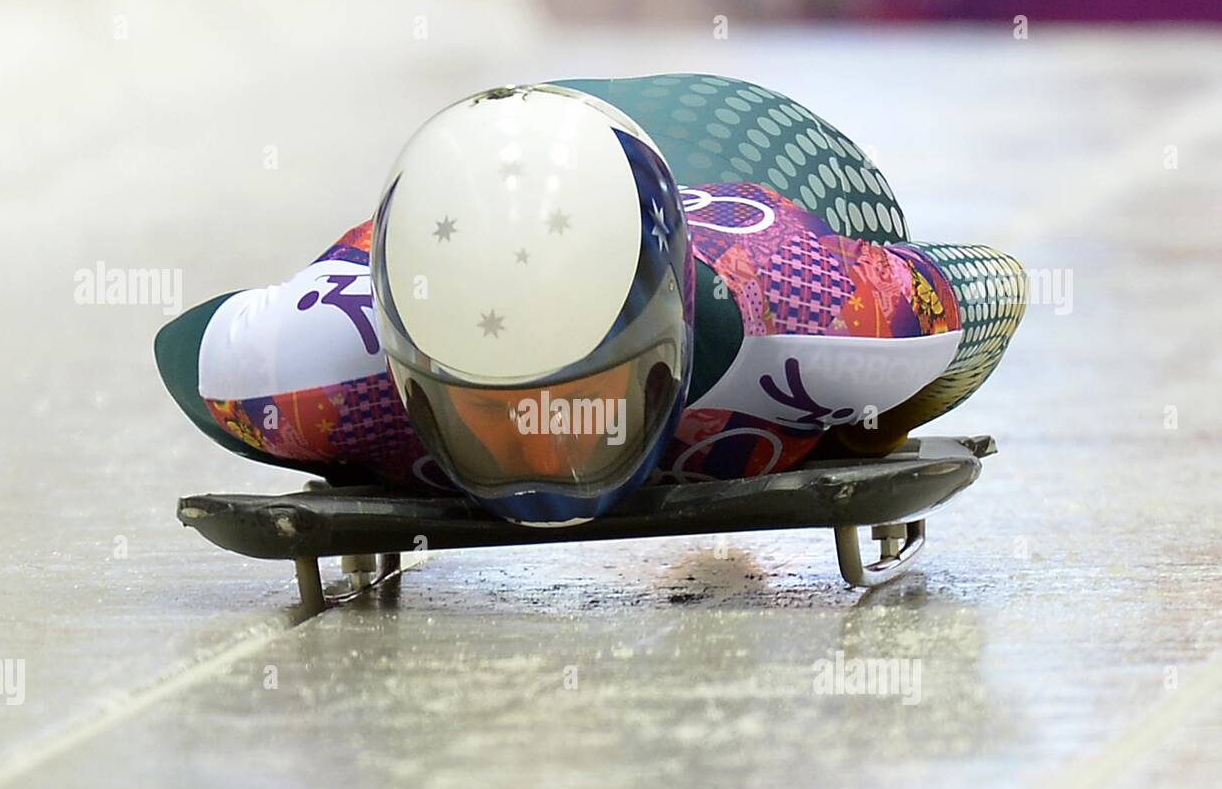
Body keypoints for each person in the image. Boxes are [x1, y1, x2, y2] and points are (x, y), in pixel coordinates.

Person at [155, 74, 1026, 523]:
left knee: (887, 279)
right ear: (402, 368)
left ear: (674, 338)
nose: (542, 464)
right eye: (488, 422)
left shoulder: (835, 317)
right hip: (495, 171)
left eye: (583, 407)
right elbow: (194, 343)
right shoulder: (299, 371)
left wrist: (872, 411)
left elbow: (989, 286)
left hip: (761, 149)